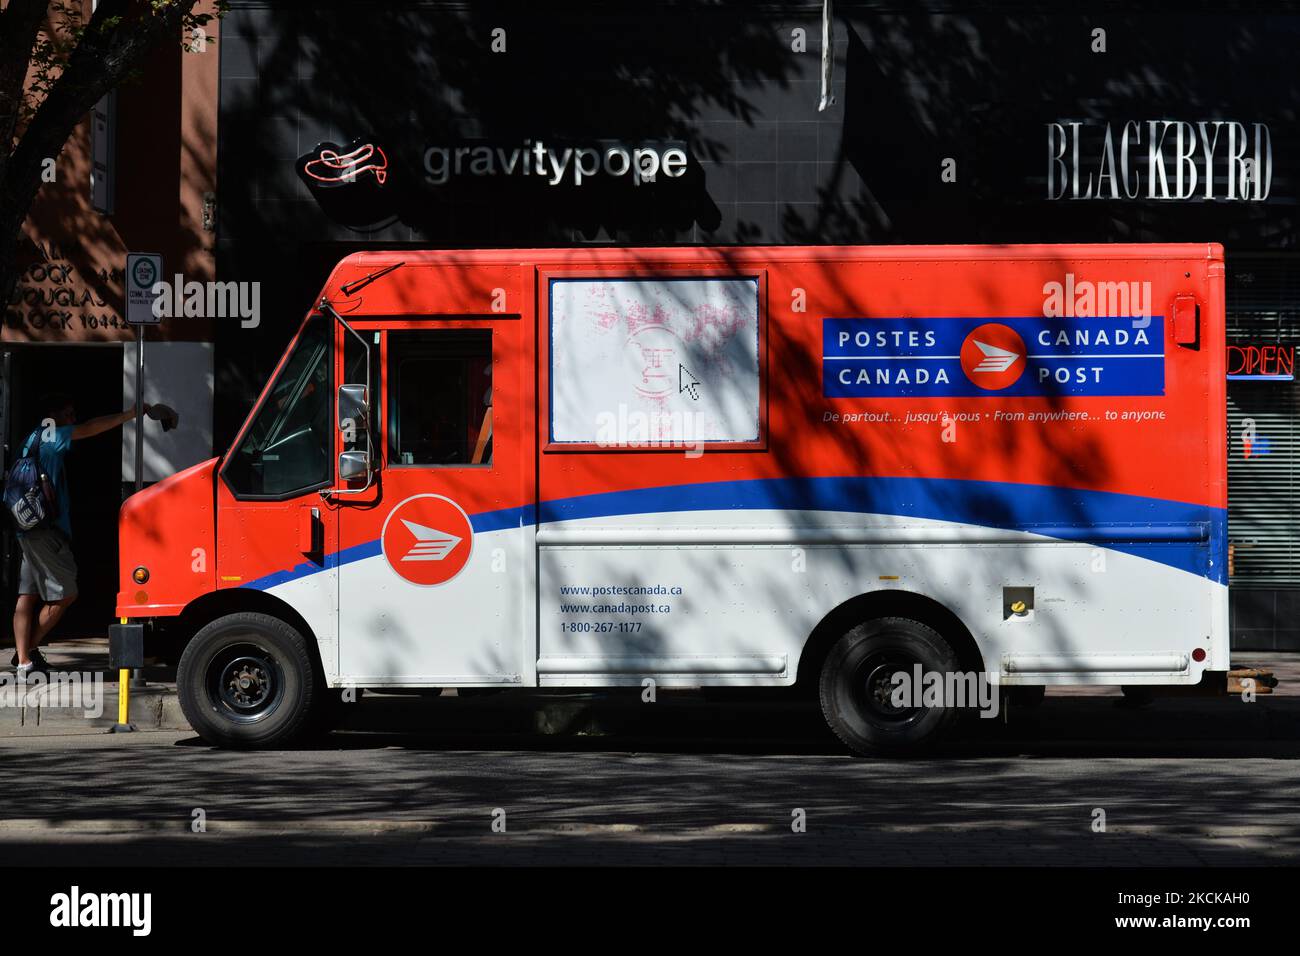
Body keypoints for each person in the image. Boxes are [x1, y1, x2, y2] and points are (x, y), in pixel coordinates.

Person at [10, 392, 174, 680]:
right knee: (66, 594)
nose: (74, 419)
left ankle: (24, 657)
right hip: (48, 532)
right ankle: (26, 657)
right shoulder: (54, 436)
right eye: (69, 413)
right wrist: (130, 414)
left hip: (26, 528)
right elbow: (92, 427)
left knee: (28, 595)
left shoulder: (31, 439)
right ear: (56, 415)